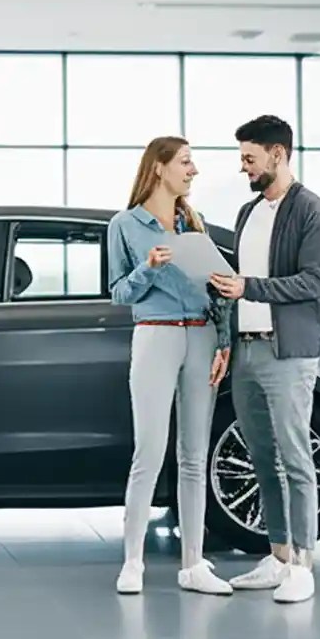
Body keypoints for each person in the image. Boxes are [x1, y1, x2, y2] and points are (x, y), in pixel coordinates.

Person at [207, 115, 320, 604]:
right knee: (261, 456)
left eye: (249, 159)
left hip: (288, 353)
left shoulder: (311, 211)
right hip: (246, 349)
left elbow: (314, 281)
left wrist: (249, 287)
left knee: (296, 456)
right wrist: (225, 338)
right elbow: (238, 285)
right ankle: (278, 556)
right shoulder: (247, 212)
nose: (244, 168)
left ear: (277, 155)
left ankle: (303, 563)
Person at [108, 136, 235, 596]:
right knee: (149, 451)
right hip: (156, 334)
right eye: (185, 162)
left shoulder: (192, 225)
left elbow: (219, 292)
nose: (193, 170)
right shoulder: (125, 224)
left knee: (194, 456)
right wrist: (148, 268)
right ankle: (133, 562)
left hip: (201, 336)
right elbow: (120, 292)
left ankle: (194, 564)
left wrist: (224, 342)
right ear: (158, 167)